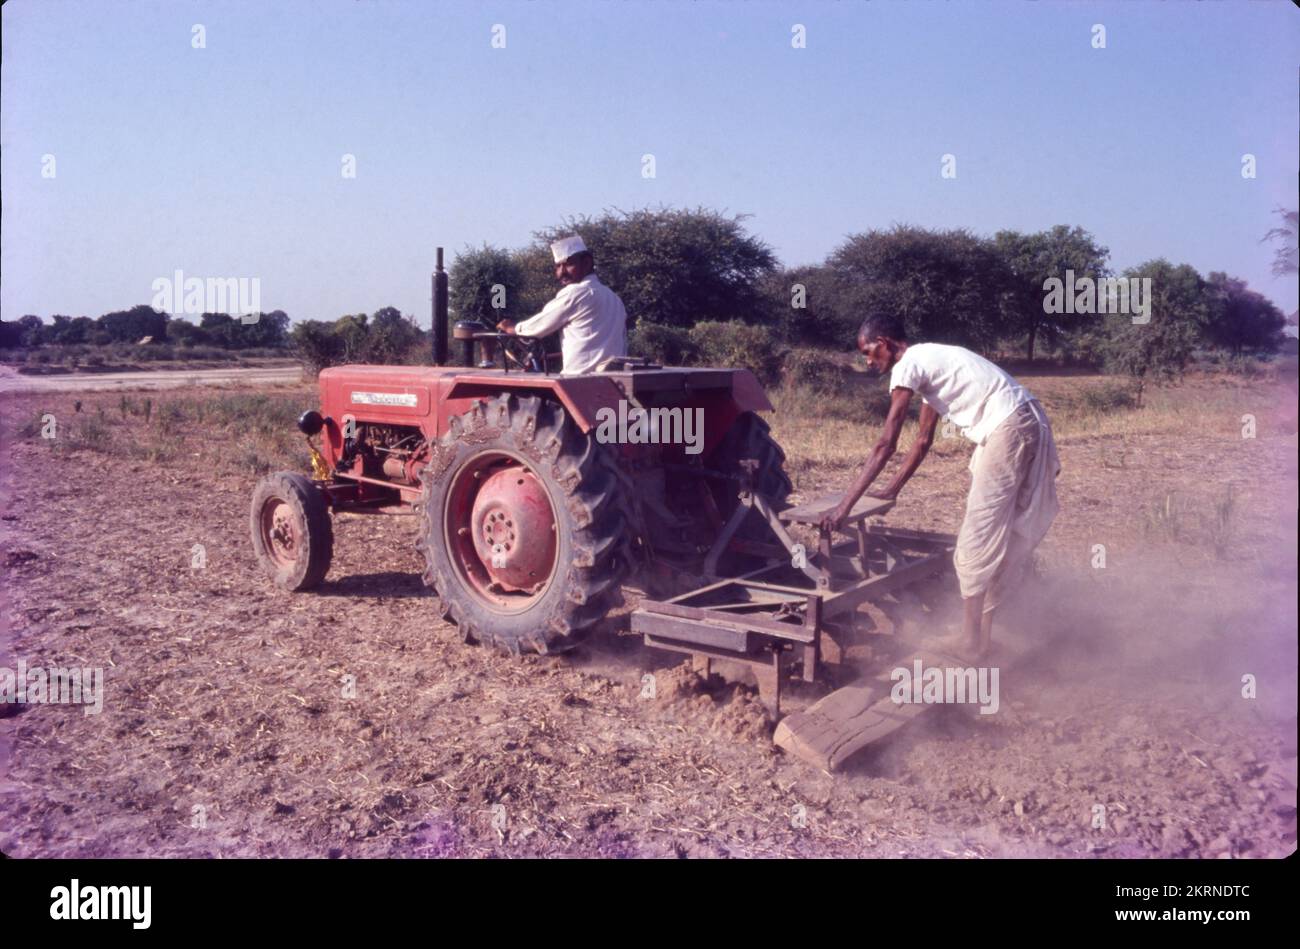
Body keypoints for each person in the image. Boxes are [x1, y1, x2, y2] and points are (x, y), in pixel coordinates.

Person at [820, 315, 1061, 661]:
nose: (870, 362)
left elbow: (885, 444)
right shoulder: (930, 362)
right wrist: (892, 489)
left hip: (1008, 429)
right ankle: (982, 640)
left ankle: (969, 645)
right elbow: (921, 441)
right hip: (1029, 420)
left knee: (972, 546)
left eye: (870, 353)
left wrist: (843, 508)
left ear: (885, 343)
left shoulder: (907, 366)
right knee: (1001, 538)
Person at [496, 236, 627, 374]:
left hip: (579, 379)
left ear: (587, 263)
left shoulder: (577, 292)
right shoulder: (614, 298)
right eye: (558, 266)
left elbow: (541, 325)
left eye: (569, 264)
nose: (561, 272)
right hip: (613, 379)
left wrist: (513, 328)